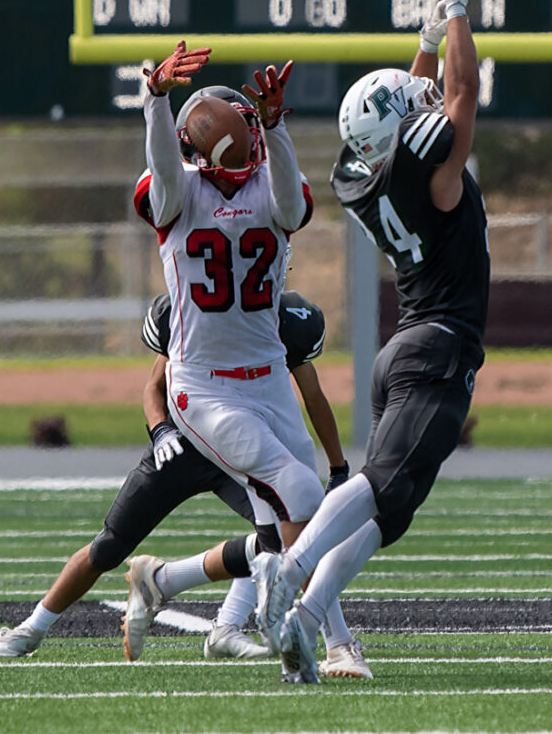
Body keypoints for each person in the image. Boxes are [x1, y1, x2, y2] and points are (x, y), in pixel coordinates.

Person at [250, 0, 490, 684]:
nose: (422, 102)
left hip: (407, 348)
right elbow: (463, 92)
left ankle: (310, 621)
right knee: (379, 485)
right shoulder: (432, 172)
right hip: (437, 348)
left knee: (390, 514)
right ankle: (288, 572)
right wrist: (453, 17)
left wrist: (420, 46)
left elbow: (406, 102)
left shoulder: (365, 175)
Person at [119, 46, 366, 680]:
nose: (251, 132)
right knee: (306, 494)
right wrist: (156, 102)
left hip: (268, 380)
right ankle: (309, 636)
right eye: (250, 125)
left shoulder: (271, 185)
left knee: (280, 530)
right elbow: (162, 173)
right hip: (205, 391)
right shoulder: (176, 193)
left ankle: (166, 582)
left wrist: (280, 127)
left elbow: (291, 206)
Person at [0, 289, 352, 661]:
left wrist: (338, 466)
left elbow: (314, 396)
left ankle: (223, 621)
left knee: (283, 537)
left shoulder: (286, 317)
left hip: (242, 444)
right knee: (110, 545)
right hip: (184, 441)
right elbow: (155, 386)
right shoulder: (189, 306)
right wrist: (161, 429)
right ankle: (31, 627)